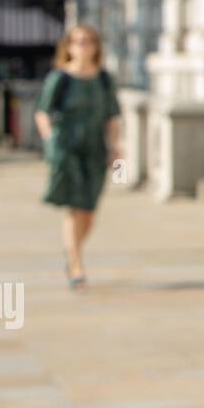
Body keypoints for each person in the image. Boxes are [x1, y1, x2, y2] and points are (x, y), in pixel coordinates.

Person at [33, 25, 122, 291]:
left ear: (95, 47)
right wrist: (51, 141)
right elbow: (42, 112)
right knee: (74, 205)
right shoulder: (60, 79)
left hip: (94, 149)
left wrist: (116, 146)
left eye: (88, 42)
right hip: (66, 148)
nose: (83, 47)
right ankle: (75, 264)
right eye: (78, 42)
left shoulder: (104, 79)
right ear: (69, 47)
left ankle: (72, 250)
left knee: (90, 209)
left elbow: (113, 115)